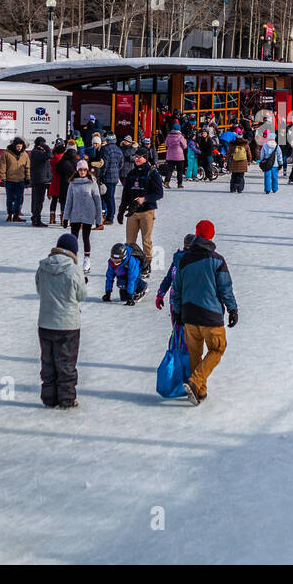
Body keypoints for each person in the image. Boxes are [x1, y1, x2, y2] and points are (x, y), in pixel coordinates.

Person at [171, 220, 238, 406]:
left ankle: (199, 391)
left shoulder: (184, 260)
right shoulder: (217, 260)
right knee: (217, 349)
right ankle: (195, 381)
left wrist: (177, 312)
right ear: (212, 236)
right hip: (211, 316)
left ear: (197, 235)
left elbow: (176, 289)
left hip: (189, 316)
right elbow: (225, 288)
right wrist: (232, 309)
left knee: (195, 353)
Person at [35, 232, 88, 409]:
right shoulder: (74, 270)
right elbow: (81, 295)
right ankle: (66, 399)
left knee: (48, 362)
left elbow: (39, 289)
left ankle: (49, 398)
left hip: (45, 321)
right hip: (68, 324)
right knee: (66, 363)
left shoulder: (43, 266)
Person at [118, 147, 164, 269]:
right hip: (133, 212)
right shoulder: (131, 174)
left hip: (147, 211)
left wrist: (145, 198)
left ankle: (147, 264)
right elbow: (126, 194)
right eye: (136, 157)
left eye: (140, 157)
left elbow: (159, 193)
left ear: (145, 158)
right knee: (129, 241)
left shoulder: (152, 173)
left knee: (146, 240)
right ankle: (130, 263)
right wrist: (121, 211)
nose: (137, 159)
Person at [64, 158, 105, 273]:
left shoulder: (92, 182)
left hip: (88, 213)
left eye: (84, 170)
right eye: (80, 170)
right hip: (75, 213)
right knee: (73, 238)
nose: (82, 172)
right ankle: (72, 259)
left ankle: (87, 260)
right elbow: (69, 201)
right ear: (77, 170)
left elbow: (97, 201)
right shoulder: (72, 183)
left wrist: (99, 219)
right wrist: (66, 217)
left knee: (86, 237)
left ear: (87, 170)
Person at [0, 137, 30, 222]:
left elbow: (27, 167)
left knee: (19, 199)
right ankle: (9, 214)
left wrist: (27, 178)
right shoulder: (6, 154)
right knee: (10, 198)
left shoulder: (25, 155)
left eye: (21, 146)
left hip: (20, 181)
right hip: (10, 180)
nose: (19, 148)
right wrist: (3, 178)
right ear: (14, 145)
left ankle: (16, 215)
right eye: (18, 146)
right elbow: (2, 166)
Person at [99, 133, 124, 222]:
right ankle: (110, 215)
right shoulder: (119, 150)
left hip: (107, 176)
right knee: (111, 196)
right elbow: (121, 164)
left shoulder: (105, 149)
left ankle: (110, 217)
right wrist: (116, 170)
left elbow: (104, 164)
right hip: (115, 176)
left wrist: (102, 175)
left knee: (107, 197)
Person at [28, 137, 52, 227]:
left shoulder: (37, 152)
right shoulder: (36, 153)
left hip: (40, 179)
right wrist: (45, 146)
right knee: (38, 201)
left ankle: (35, 218)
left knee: (37, 201)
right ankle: (36, 219)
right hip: (39, 180)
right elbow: (50, 155)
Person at [164, 123, 187, 188]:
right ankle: (179, 184)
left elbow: (166, 144)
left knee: (170, 170)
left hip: (170, 155)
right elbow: (184, 146)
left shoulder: (168, 136)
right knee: (179, 171)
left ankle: (166, 182)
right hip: (179, 156)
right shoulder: (180, 136)